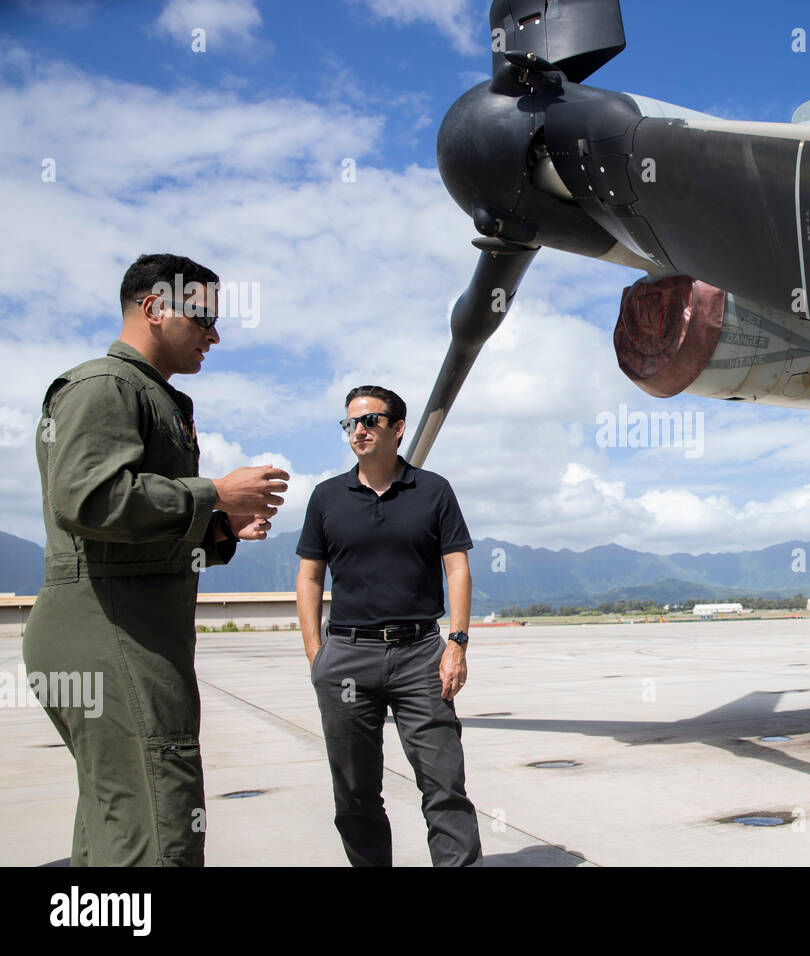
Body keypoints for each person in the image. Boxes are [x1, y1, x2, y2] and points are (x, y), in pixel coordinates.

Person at [23, 253, 290, 866]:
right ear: (153, 308)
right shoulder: (104, 386)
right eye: (202, 318)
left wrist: (219, 528)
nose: (214, 335)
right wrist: (213, 493)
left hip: (129, 622)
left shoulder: (152, 395)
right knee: (157, 826)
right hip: (112, 629)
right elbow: (86, 500)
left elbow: (130, 528)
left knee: (117, 822)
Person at [295, 385, 481, 866]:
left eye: (370, 421)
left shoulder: (433, 490)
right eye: (350, 423)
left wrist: (456, 643)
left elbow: (456, 568)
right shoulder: (326, 497)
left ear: (398, 429)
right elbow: (310, 576)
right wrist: (318, 655)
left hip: (421, 655)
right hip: (347, 657)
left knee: (444, 784)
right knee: (355, 792)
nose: (358, 430)